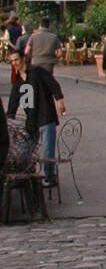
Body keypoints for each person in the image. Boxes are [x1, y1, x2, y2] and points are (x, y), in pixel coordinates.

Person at [9, 57, 66, 188]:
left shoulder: (36, 71)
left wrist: (59, 99)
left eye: (16, 59)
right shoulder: (18, 82)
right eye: (12, 61)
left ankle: (49, 177)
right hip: (31, 122)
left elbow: (53, 84)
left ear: (23, 59)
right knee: (24, 149)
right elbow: (13, 103)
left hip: (45, 116)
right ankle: (27, 175)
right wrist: (9, 118)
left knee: (47, 150)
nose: (15, 63)